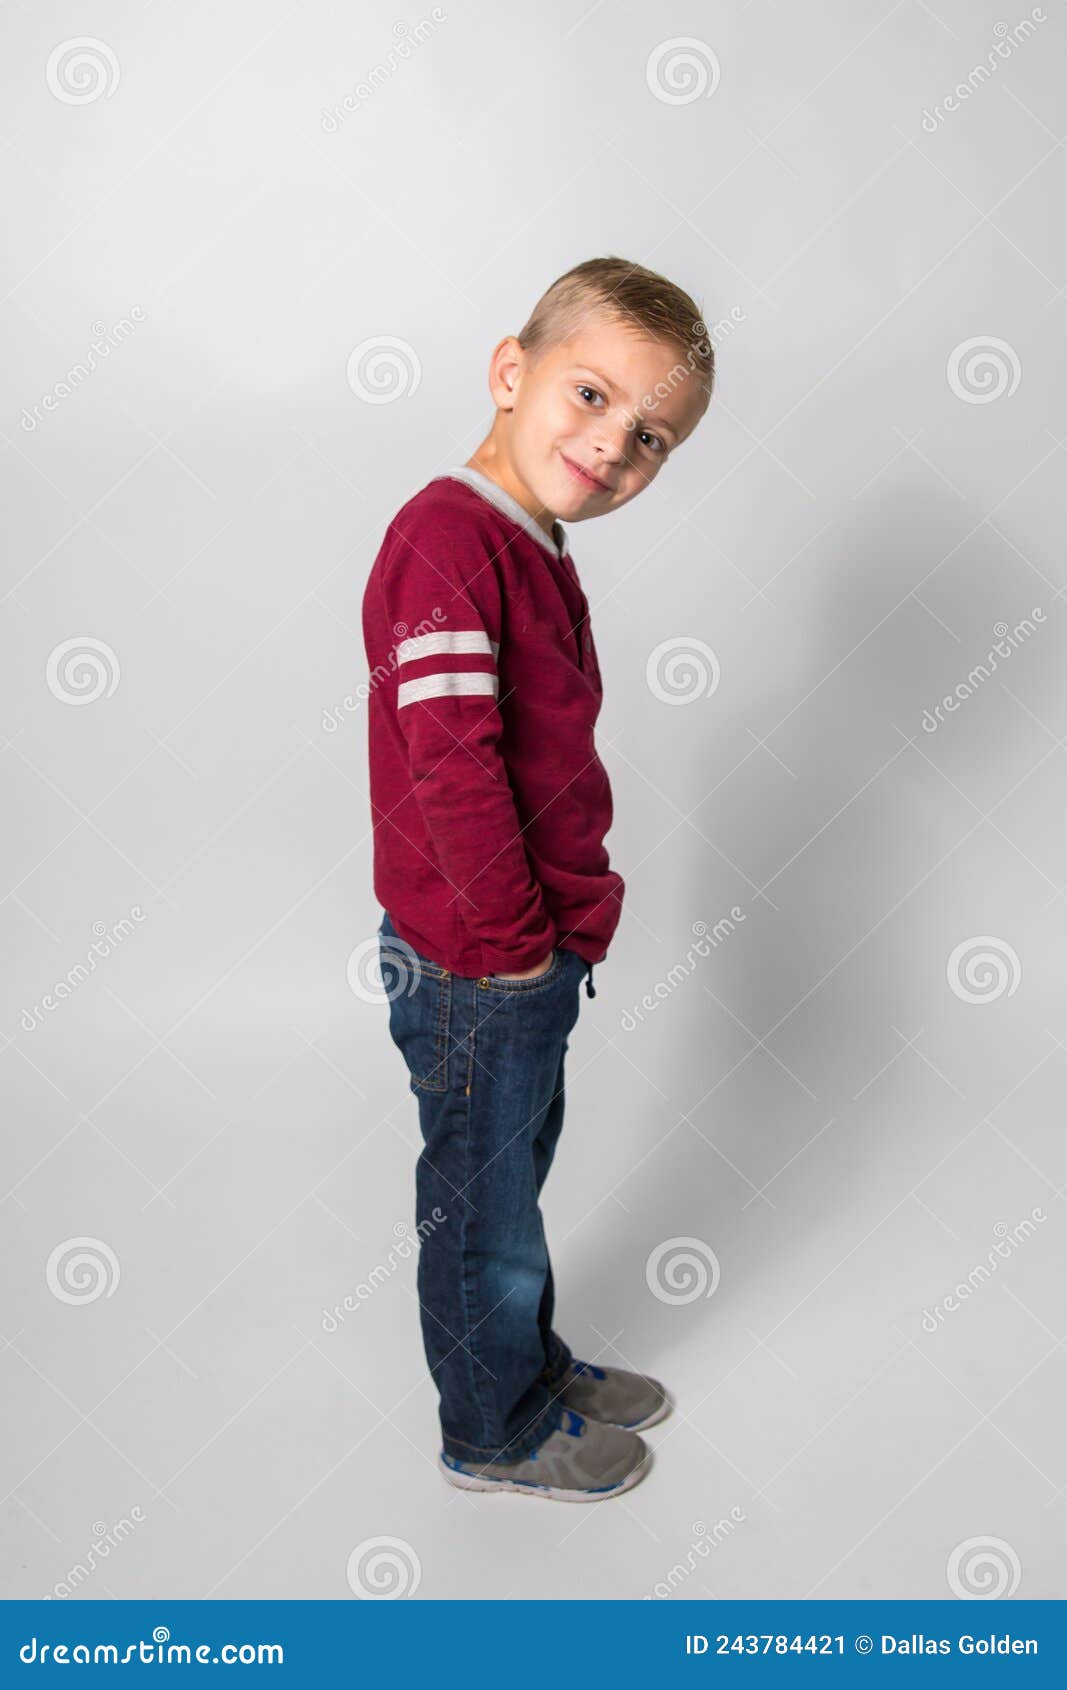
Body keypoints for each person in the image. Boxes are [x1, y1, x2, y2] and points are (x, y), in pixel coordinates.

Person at [361, 256, 714, 1500]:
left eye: (651, 436)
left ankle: (525, 1359)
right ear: (508, 372)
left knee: (511, 1180)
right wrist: (513, 940)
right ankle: (490, 1428)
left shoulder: (530, 538)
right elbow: (448, 765)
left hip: (527, 951)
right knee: (478, 1201)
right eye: (589, 395)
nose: (614, 444)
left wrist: (560, 930)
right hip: (478, 957)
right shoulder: (444, 541)